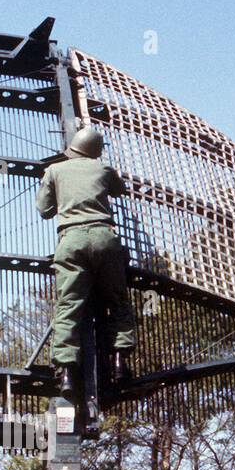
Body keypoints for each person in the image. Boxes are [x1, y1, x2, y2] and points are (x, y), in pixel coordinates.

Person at [35, 126, 137, 399]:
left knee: (69, 306)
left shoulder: (55, 170)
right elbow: (120, 190)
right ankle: (119, 363)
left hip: (72, 240)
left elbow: (44, 210)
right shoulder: (103, 169)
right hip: (106, 237)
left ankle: (66, 372)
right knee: (117, 301)